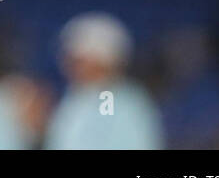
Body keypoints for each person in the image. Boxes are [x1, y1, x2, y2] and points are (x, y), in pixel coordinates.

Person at [45, 12, 164, 149]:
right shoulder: (78, 96)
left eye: (79, 58)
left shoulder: (120, 102)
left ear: (104, 59)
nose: (68, 63)